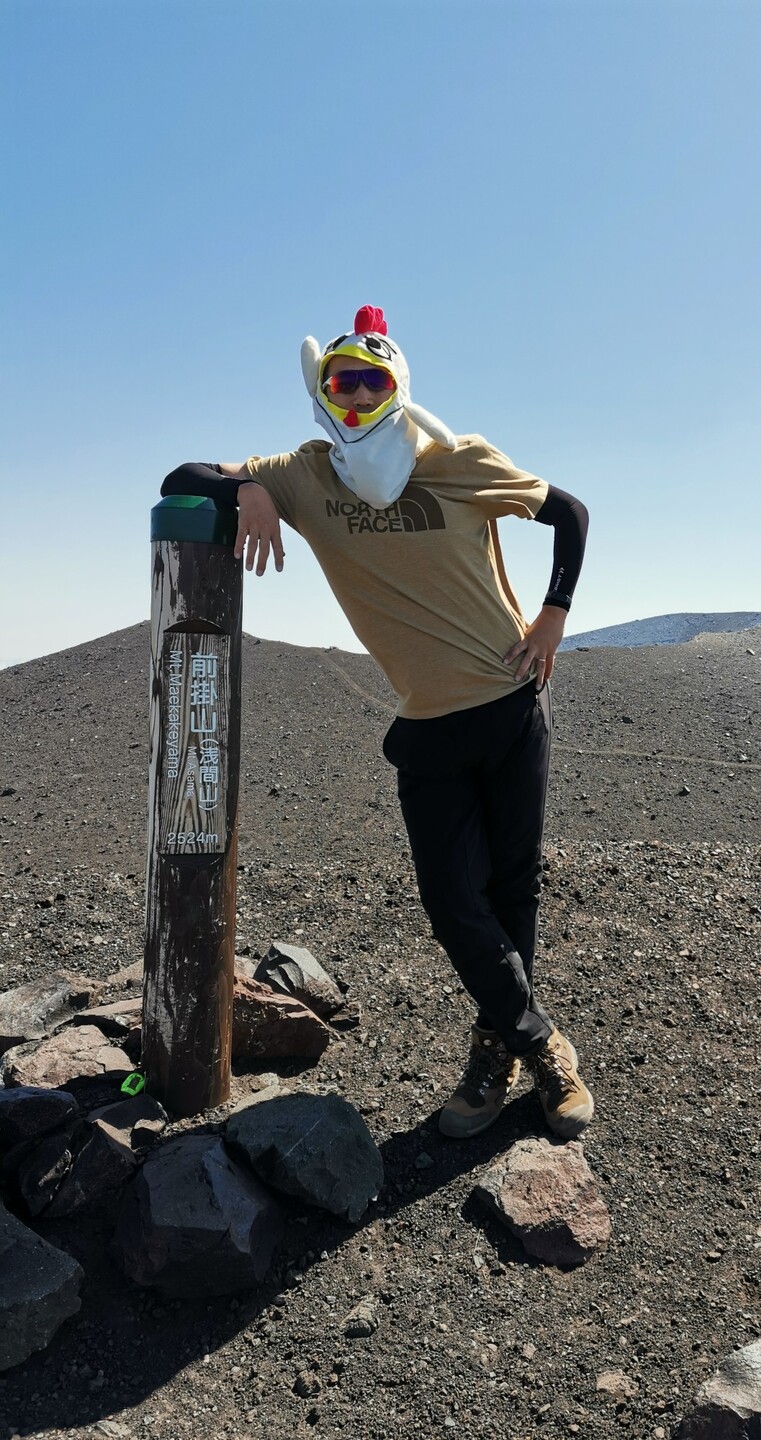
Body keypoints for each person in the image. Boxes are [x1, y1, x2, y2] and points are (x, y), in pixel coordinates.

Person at [161, 304, 594, 1140]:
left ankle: (498, 1059)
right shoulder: (305, 474)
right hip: (427, 724)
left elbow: (568, 513)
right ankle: (544, 1042)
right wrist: (248, 488)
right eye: (341, 381)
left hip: (511, 706)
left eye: (373, 381)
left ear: (399, 386)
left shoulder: (459, 461)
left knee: (511, 894)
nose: (356, 396)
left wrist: (552, 616)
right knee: (449, 900)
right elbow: (181, 476)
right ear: (323, 388)